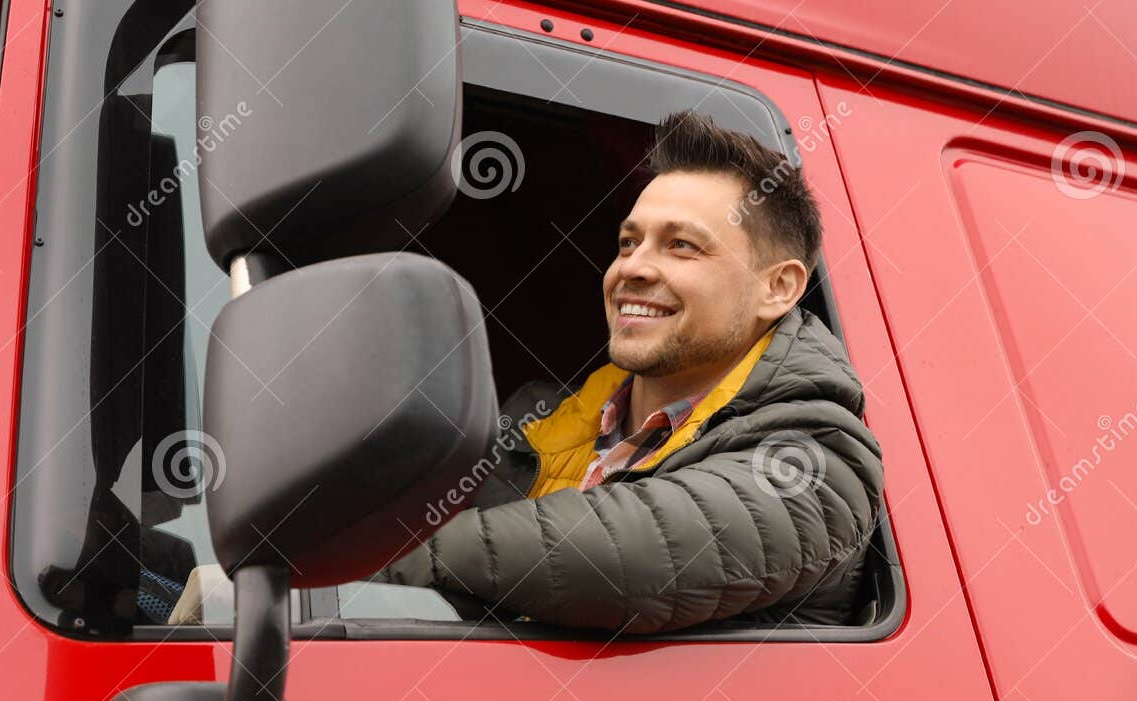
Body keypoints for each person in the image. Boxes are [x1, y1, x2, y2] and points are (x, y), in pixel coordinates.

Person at [377, 110, 884, 633]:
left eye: (681, 245)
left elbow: (635, 548)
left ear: (777, 288)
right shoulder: (531, 417)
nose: (632, 268)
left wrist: (379, 566)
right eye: (628, 242)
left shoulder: (815, 459)